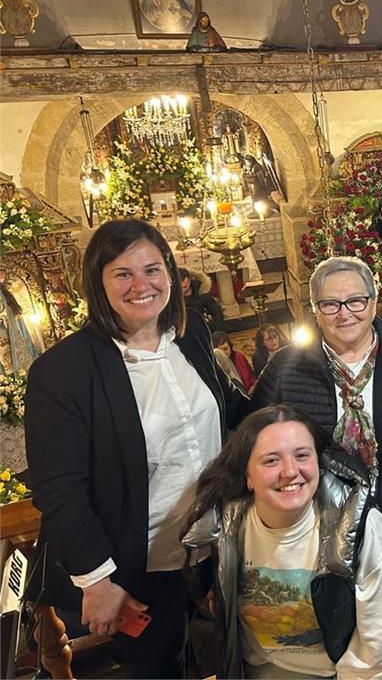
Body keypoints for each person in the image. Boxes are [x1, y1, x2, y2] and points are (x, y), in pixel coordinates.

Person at [24, 219, 239, 678]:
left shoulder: (192, 334)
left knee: (222, 655)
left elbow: (233, 415)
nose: (142, 285)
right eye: (123, 273)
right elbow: (60, 491)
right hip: (136, 566)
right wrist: (97, 578)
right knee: (158, 668)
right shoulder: (64, 371)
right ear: (98, 284)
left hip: (209, 548)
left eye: (152, 269)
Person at [251, 256, 382, 678]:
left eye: (355, 301)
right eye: (330, 304)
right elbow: (254, 443)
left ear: (375, 302)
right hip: (317, 537)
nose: (344, 313)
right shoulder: (286, 369)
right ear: (314, 309)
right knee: (331, 640)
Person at [183, 404, 382, 679]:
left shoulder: (360, 526)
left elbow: (373, 651)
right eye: (271, 460)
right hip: (258, 669)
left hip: (335, 673)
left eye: (301, 455)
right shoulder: (226, 527)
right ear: (248, 476)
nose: (290, 471)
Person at [180, 266, 225, 333]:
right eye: (180, 286)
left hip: (205, 330)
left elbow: (217, 314)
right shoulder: (173, 298)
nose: (182, 289)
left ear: (189, 280)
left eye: (185, 286)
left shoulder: (202, 293)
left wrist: (215, 331)